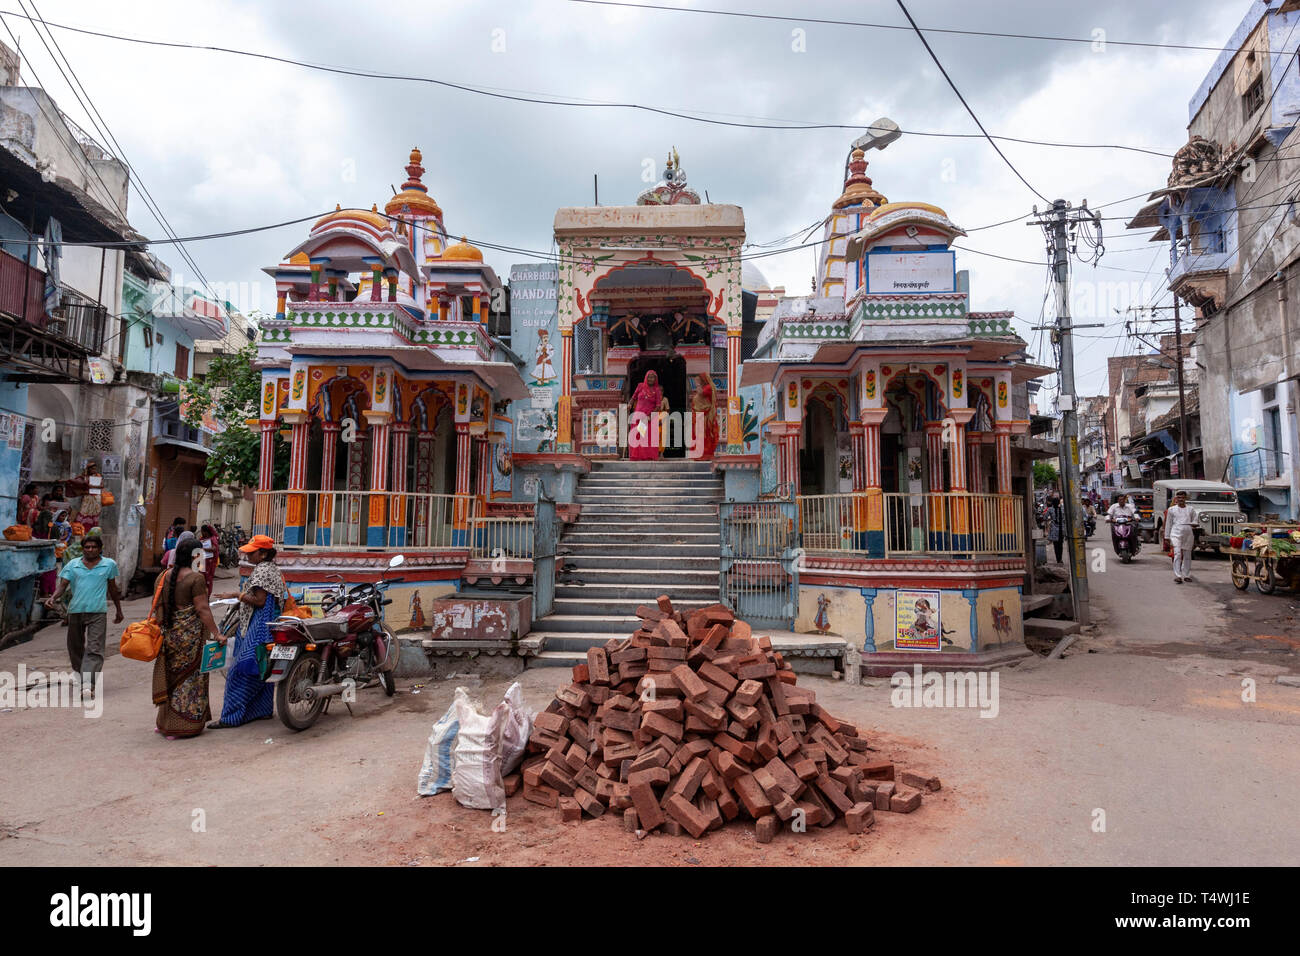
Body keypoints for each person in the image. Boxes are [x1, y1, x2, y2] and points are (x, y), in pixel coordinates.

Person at [209, 535, 285, 728]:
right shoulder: (270, 568)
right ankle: (261, 710)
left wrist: (236, 595)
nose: (248, 555)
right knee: (261, 668)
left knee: (239, 670)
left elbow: (259, 601)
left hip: (259, 623)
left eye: (252, 552)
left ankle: (231, 717)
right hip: (265, 622)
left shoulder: (262, 572)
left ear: (263, 553)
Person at [153, 537, 224, 739]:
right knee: (189, 681)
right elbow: (202, 609)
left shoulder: (163, 577)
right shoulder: (196, 579)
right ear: (195, 556)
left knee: (171, 678)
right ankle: (182, 725)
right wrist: (217, 633)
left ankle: (164, 723)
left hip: (168, 635)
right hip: (190, 639)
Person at [44, 531, 123, 688]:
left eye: (94, 547)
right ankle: (81, 675)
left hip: (98, 611)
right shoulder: (73, 565)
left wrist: (118, 609)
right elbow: (63, 586)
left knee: (95, 648)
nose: (90, 550)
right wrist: (53, 598)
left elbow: (113, 589)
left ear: (100, 548)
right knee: (75, 647)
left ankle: (88, 683)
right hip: (75, 611)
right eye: (87, 547)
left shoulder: (109, 564)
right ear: (82, 549)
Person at [629, 370, 666, 461]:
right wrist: (629, 404)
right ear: (646, 377)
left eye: (653, 377)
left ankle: (647, 456)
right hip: (638, 415)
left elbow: (658, 405)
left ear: (655, 379)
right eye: (649, 377)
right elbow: (633, 397)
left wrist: (649, 416)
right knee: (637, 435)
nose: (651, 379)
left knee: (646, 436)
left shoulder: (657, 390)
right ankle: (638, 456)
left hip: (649, 417)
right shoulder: (640, 386)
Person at [1163, 490, 1199, 584]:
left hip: (1188, 533)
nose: (1181, 499)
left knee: (1187, 555)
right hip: (1175, 533)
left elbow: (1195, 520)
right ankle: (1178, 575)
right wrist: (1166, 537)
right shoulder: (1172, 510)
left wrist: (1194, 524)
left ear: (1185, 498)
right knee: (1178, 553)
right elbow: (1168, 523)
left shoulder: (1190, 509)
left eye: (1182, 497)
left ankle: (1186, 574)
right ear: (1176, 498)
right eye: (1179, 498)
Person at [690, 373, 719, 460]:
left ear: (703, 380)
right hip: (699, 416)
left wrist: (698, 385)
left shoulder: (708, 388)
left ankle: (704, 455)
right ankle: (699, 454)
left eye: (698, 380)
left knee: (704, 436)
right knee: (699, 436)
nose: (696, 382)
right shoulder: (705, 387)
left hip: (705, 417)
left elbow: (701, 393)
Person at [1044, 494, 1065, 563]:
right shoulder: (1062, 509)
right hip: (1061, 529)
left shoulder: (1050, 509)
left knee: (1056, 545)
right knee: (1060, 545)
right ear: (1059, 502)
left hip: (1054, 530)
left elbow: (1045, 517)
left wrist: (1050, 519)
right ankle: (1060, 558)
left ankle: (1058, 559)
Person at [200, 523, 219, 591]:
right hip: (203, 561)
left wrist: (203, 549)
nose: (201, 532)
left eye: (202, 531)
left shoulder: (212, 539)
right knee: (201, 578)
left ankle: (207, 595)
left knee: (208, 579)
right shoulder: (202, 539)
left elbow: (214, 549)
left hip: (210, 562)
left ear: (206, 532)